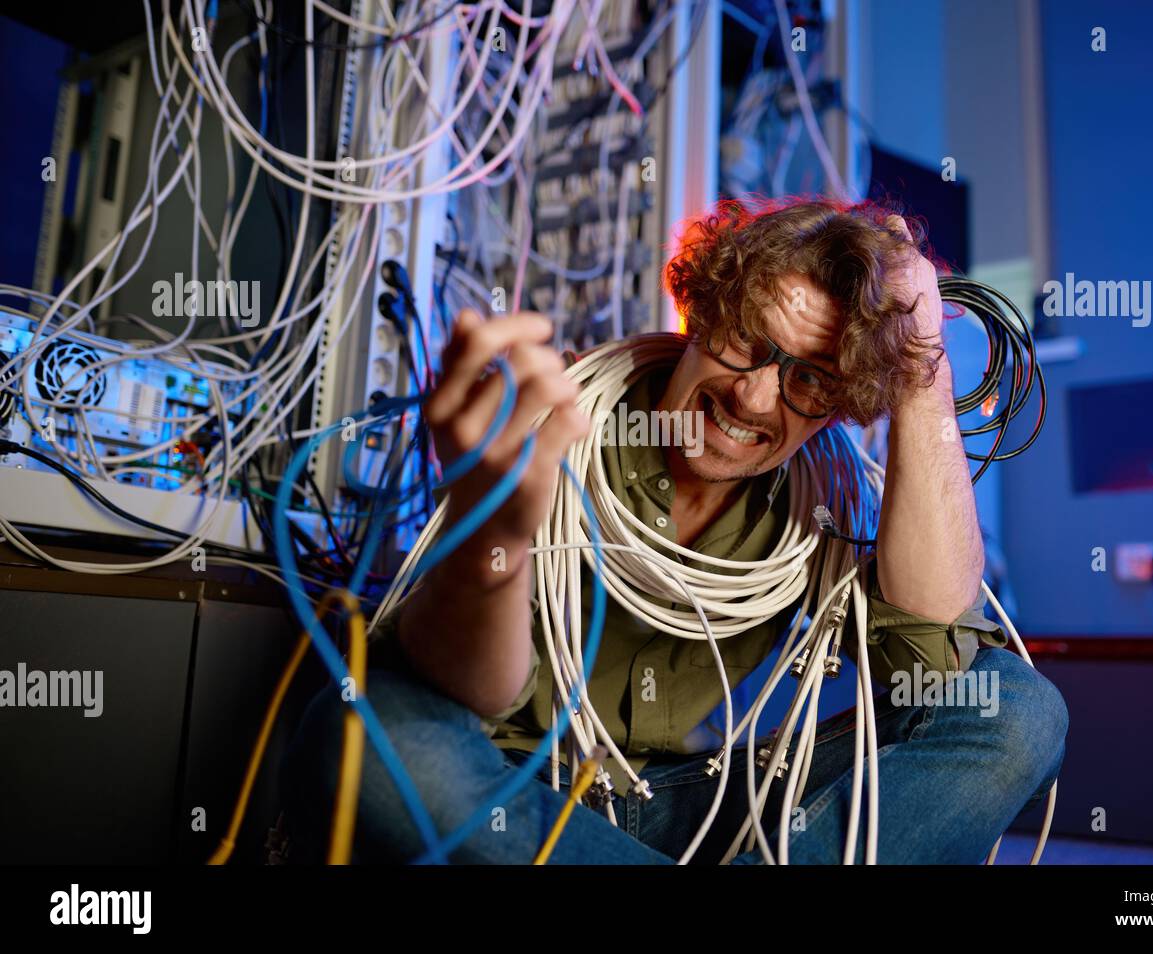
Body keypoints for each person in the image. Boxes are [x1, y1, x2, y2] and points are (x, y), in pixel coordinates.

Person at [283, 198, 1068, 864]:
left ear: (841, 401)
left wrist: (919, 365)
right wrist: (500, 533)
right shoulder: (558, 431)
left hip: (688, 805)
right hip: (515, 793)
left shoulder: (823, 503)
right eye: (745, 343)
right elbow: (476, 693)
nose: (757, 400)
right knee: (369, 744)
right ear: (702, 308)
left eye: (809, 379)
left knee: (1017, 712)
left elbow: (927, 663)